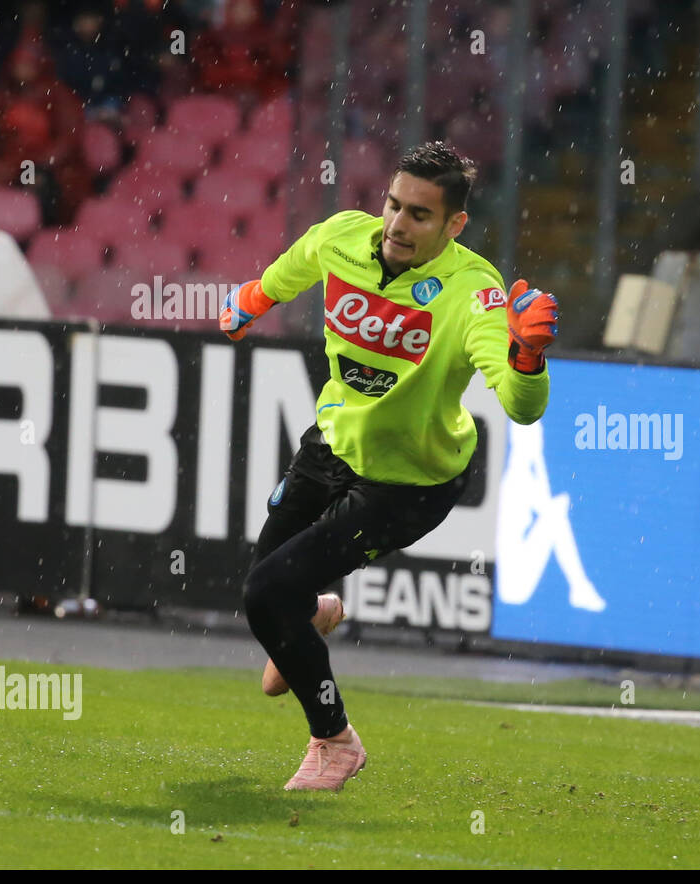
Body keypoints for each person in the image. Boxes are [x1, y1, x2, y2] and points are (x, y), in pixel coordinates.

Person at [219, 141, 557, 792]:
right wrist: (255, 299)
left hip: (409, 482)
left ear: (454, 225)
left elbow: (521, 409)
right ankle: (313, 615)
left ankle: (335, 742)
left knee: (266, 597)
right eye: (394, 205)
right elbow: (302, 259)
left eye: (420, 215)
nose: (398, 224)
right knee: (268, 593)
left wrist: (528, 357)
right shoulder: (349, 236)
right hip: (333, 445)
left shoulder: (474, 295)